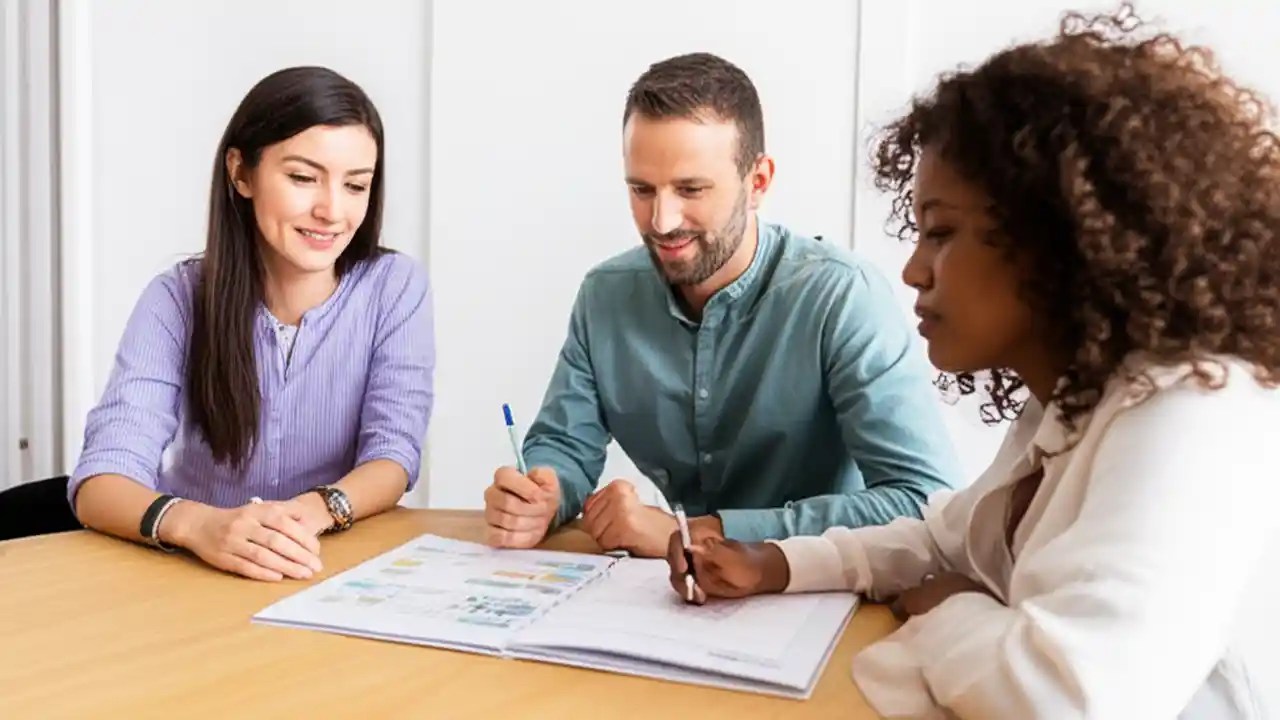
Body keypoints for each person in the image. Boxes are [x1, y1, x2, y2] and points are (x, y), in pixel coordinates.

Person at [665, 7, 1280, 718]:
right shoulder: (1069, 403)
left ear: (1058, 233)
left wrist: (950, 611)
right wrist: (774, 563)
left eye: (942, 233)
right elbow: (942, 536)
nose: (914, 271)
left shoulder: (1193, 411)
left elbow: (1068, 700)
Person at [483, 52, 960, 558]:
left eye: (691, 189)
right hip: (671, 598)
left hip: (820, 594)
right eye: (642, 190)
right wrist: (543, 495)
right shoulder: (604, 296)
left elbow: (926, 503)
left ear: (758, 183)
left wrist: (700, 533)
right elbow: (563, 446)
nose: (662, 221)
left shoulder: (842, 297)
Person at [70, 66, 435, 582]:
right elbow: (101, 481)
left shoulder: (395, 287)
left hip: (326, 567)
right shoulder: (177, 298)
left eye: (356, 185)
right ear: (241, 173)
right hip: (195, 576)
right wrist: (201, 526)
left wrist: (308, 513)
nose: (332, 210)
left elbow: (393, 456)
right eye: (304, 178)